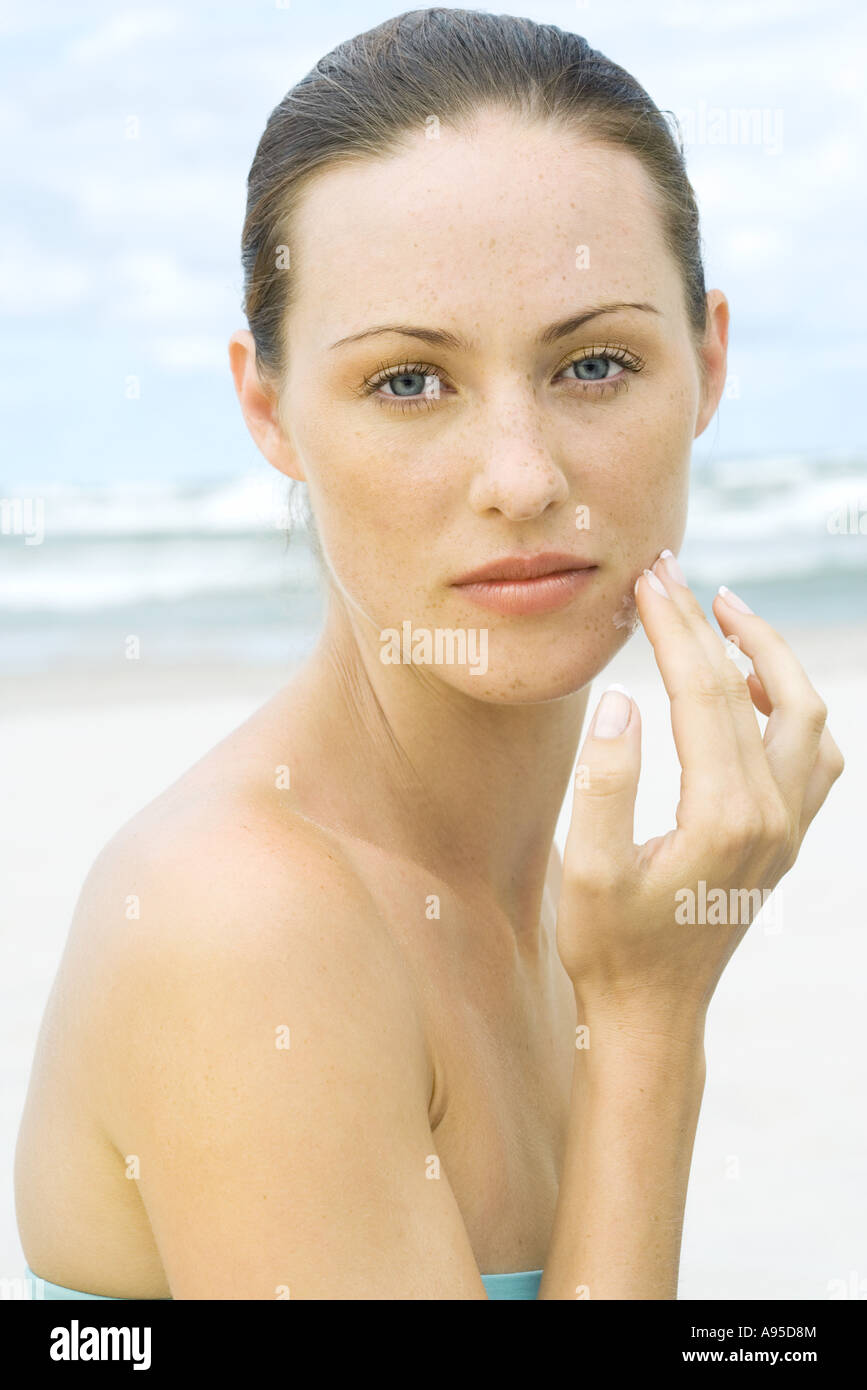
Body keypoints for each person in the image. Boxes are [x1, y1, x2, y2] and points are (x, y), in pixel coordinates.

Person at [15, 8, 843, 1300]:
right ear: (268, 407)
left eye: (596, 362)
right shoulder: (241, 925)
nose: (521, 477)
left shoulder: (579, 906)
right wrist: (648, 1023)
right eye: (409, 382)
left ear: (709, 361)